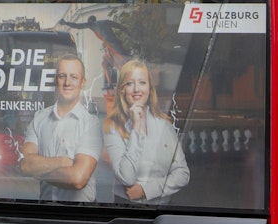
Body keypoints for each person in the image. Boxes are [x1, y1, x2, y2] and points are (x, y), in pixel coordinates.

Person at [103, 60, 190, 204]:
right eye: (130, 83)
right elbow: (126, 178)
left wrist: (146, 190)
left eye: (142, 82)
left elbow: (183, 174)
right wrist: (136, 128)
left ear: (150, 88)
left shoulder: (165, 125)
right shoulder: (112, 126)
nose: (136, 89)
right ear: (122, 90)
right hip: (126, 208)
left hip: (161, 208)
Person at [19, 55, 103, 202]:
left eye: (74, 77)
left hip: (81, 212)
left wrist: (38, 168)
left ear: (83, 82)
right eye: (62, 76)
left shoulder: (91, 124)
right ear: (56, 80)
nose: (67, 83)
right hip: (45, 209)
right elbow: (25, 165)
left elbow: (78, 179)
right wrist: (63, 162)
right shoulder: (39, 118)